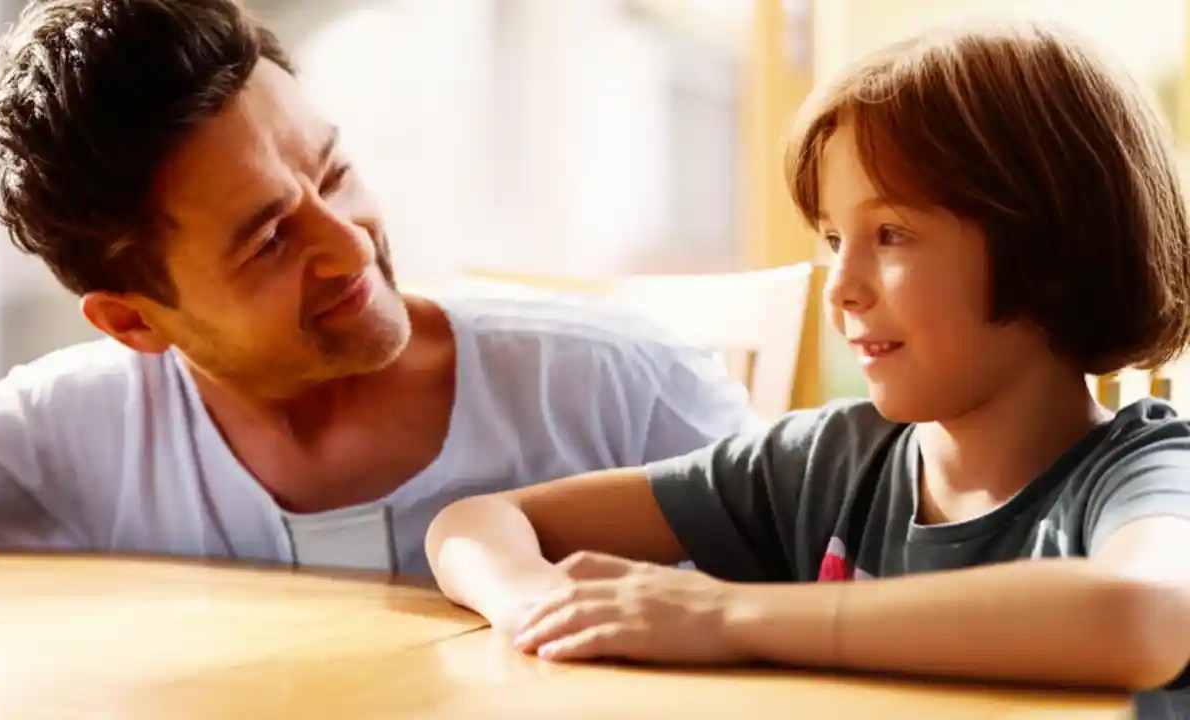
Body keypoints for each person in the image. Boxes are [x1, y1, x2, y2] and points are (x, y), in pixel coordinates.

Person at [425, 21, 1190, 690]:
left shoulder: (1144, 473)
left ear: (1052, 247)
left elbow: (1145, 615)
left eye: (890, 235)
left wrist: (726, 615)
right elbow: (475, 521)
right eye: (832, 241)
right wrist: (539, 606)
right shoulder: (822, 464)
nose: (842, 289)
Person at [0, 0, 756, 578]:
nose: (348, 242)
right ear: (133, 320)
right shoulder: (78, 432)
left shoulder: (618, 387)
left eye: (336, 172)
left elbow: (839, 566)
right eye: (271, 239)